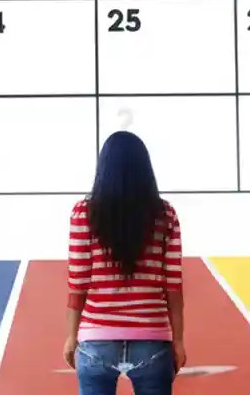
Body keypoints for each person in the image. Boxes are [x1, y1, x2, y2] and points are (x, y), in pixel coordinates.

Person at [63, 131, 186, 395]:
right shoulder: (165, 215)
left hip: (96, 338)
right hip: (152, 339)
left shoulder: (83, 213)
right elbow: (173, 286)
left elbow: (78, 282)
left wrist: (72, 337)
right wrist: (178, 340)